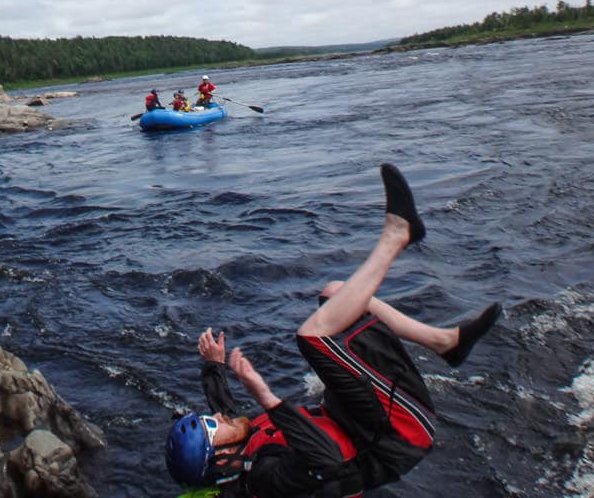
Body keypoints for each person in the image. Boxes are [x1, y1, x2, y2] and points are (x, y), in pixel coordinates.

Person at [165, 164, 503, 497]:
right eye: (212, 426)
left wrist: (214, 365)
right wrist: (266, 397)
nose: (218, 417)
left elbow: (227, 411)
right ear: (221, 458)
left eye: (209, 418)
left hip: (353, 419)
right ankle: (397, 234)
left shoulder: (239, 445)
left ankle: (444, 342)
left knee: (335, 293)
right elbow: (325, 461)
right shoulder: (265, 478)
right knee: (313, 338)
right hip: (397, 434)